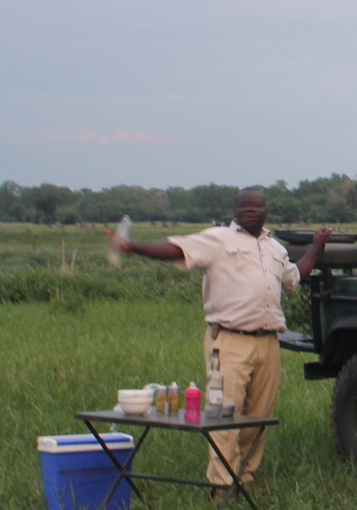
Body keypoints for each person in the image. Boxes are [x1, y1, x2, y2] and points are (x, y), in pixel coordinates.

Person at [116, 188, 330, 490]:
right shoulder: (218, 239)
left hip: (268, 341)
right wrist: (134, 247)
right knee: (225, 412)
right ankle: (223, 482)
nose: (252, 210)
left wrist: (317, 246)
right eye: (246, 206)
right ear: (236, 211)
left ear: (267, 211)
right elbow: (178, 249)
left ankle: (245, 474)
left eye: (258, 206)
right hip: (229, 341)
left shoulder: (274, 248)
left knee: (259, 415)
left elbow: (296, 277)